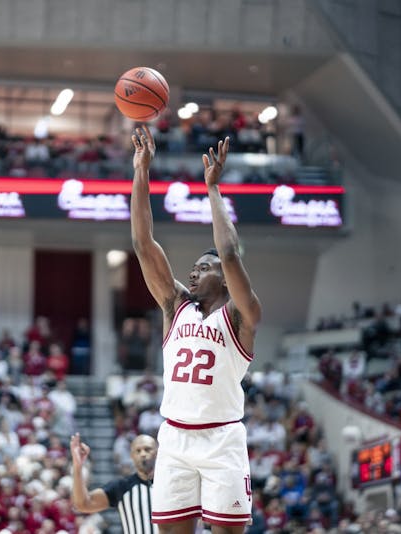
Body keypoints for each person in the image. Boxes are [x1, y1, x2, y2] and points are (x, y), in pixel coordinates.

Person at [130, 125, 261, 534]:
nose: (194, 270)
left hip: (222, 441)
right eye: (194, 267)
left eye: (204, 268)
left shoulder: (242, 315)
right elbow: (142, 242)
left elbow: (228, 252)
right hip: (175, 438)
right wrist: (141, 171)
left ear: (225, 280)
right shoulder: (175, 306)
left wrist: (213, 189)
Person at [70, 432, 157, 534]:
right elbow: (83, 504)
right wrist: (77, 467)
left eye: (147, 449)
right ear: (131, 455)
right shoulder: (122, 486)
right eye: (138, 451)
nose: (143, 454)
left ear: (157, 452)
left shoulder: (170, 484)